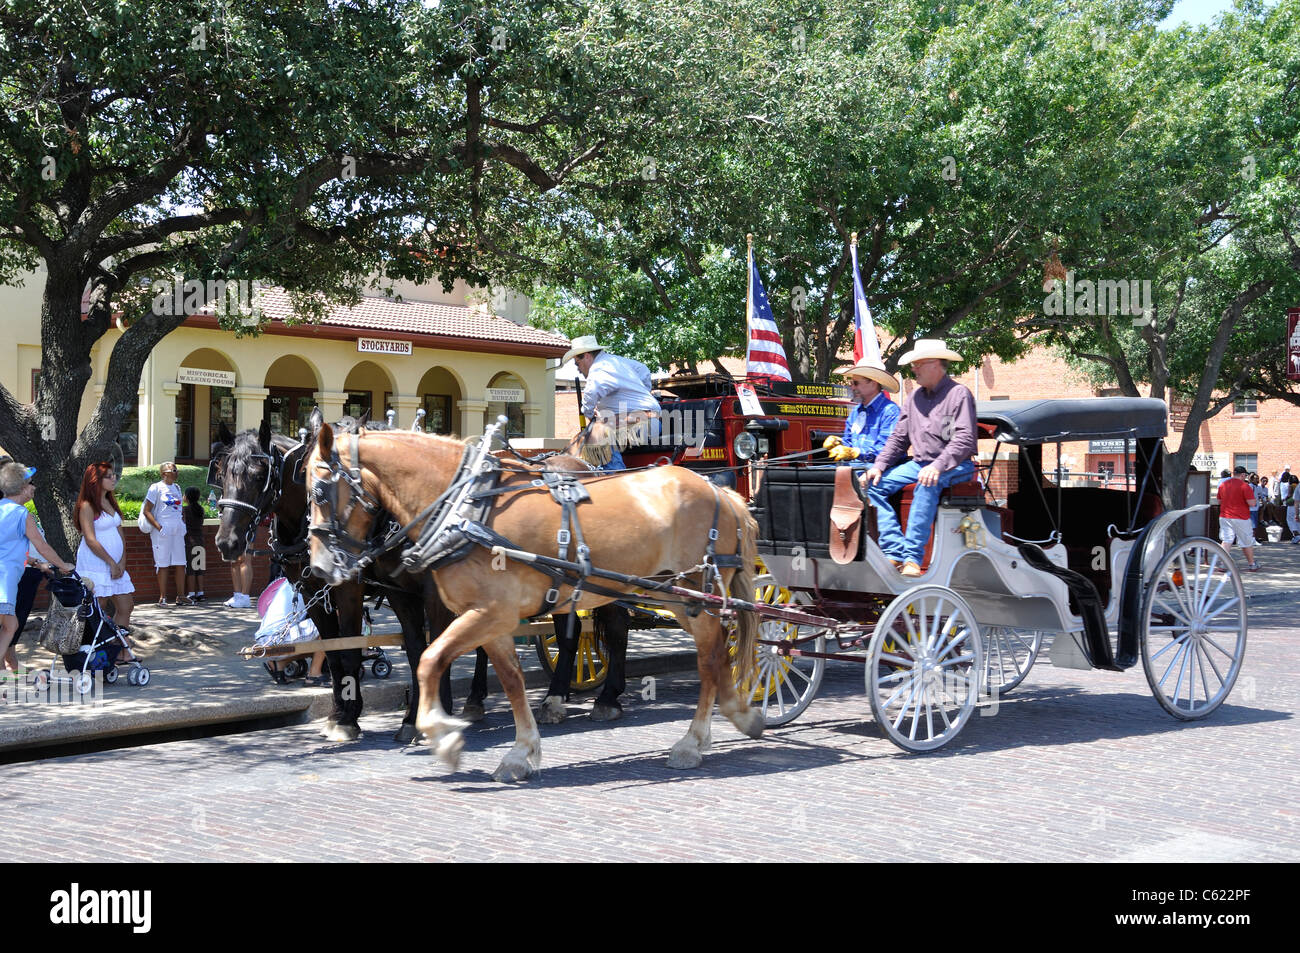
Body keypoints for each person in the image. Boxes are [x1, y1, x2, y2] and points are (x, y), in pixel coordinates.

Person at [864, 339, 977, 577]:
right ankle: (894, 551)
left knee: (927, 483)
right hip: (920, 464)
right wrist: (879, 466)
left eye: (918, 364)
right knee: (873, 486)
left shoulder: (959, 394)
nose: (913, 369)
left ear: (936, 364)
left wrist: (937, 465)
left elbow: (964, 440)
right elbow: (898, 439)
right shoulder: (913, 398)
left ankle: (912, 559)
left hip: (958, 465)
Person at [0, 463, 75, 673]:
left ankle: (4, 671)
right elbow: (42, 546)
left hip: (7, 576)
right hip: (4, 580)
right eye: (31, 484)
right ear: (23, 487)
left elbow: (12, 547)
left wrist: (34, 563)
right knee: (7, 625)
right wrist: (63, 565)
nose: (34, 488)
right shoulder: (22, 514)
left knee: (11, 625)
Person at [563, 335, 661, 471]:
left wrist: (590, 413)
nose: (578, 369)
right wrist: (643, 392)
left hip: (643, 425)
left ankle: (615, 477)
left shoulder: (599, 368)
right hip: (652, 422)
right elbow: (643, 371)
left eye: (577, 363)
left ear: (586, 356)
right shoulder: (616, 361)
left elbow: (591, 395)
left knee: (598, 433)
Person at [74, 461, 137, 637]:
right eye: (108, 476)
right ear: (96, 480)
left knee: (126, 606)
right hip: (96, 564)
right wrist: (111, 562)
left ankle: (119, 647)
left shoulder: (110, 502)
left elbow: (121, 535)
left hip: (116, 565)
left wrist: (121, 562)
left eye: (114, 475)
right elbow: (90, 539)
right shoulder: (87, 505)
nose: (113, 478)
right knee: (98, 607)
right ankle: (98, 650)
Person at [822, 359, 901, 466]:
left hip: (879, 471)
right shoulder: (856, 411)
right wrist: (839, 442)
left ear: (873, 384)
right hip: (856, 468)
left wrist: (856, 453)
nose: (852, 387)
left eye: (856, 383)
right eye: (851, 383)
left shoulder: (890, 411)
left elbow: (886, 451)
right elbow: (849, 442)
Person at [143, 462, 186, 607]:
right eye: (173, 470)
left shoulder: (177, 488)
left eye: (176, 470)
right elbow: (146, 510)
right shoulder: (156, 488)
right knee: (163, 563)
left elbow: (179, 509)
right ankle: (163, 597)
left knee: (181, 562)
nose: (176, 472)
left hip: (177, 529)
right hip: (163, 529)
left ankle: (181, 596)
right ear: (164, 473)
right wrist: (158, 526)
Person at [1217, 466, 1259, 572]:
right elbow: (1252, 503)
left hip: (1225, 516)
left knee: (1226, 540)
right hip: (1241, 517)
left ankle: (1222, 564)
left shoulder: (1223, 485)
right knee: (1246, 541)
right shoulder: (1245, 486)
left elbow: (1219, 501)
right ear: (1243, 475)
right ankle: (1252, 564)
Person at [182, 486, 206, 604]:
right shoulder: (201, 509)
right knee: (199, 568)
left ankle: (191, 593)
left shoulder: (184, 510)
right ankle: (201, 593)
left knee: (191, 570)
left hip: (189, 542)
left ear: (186, 497)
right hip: (200, 541)